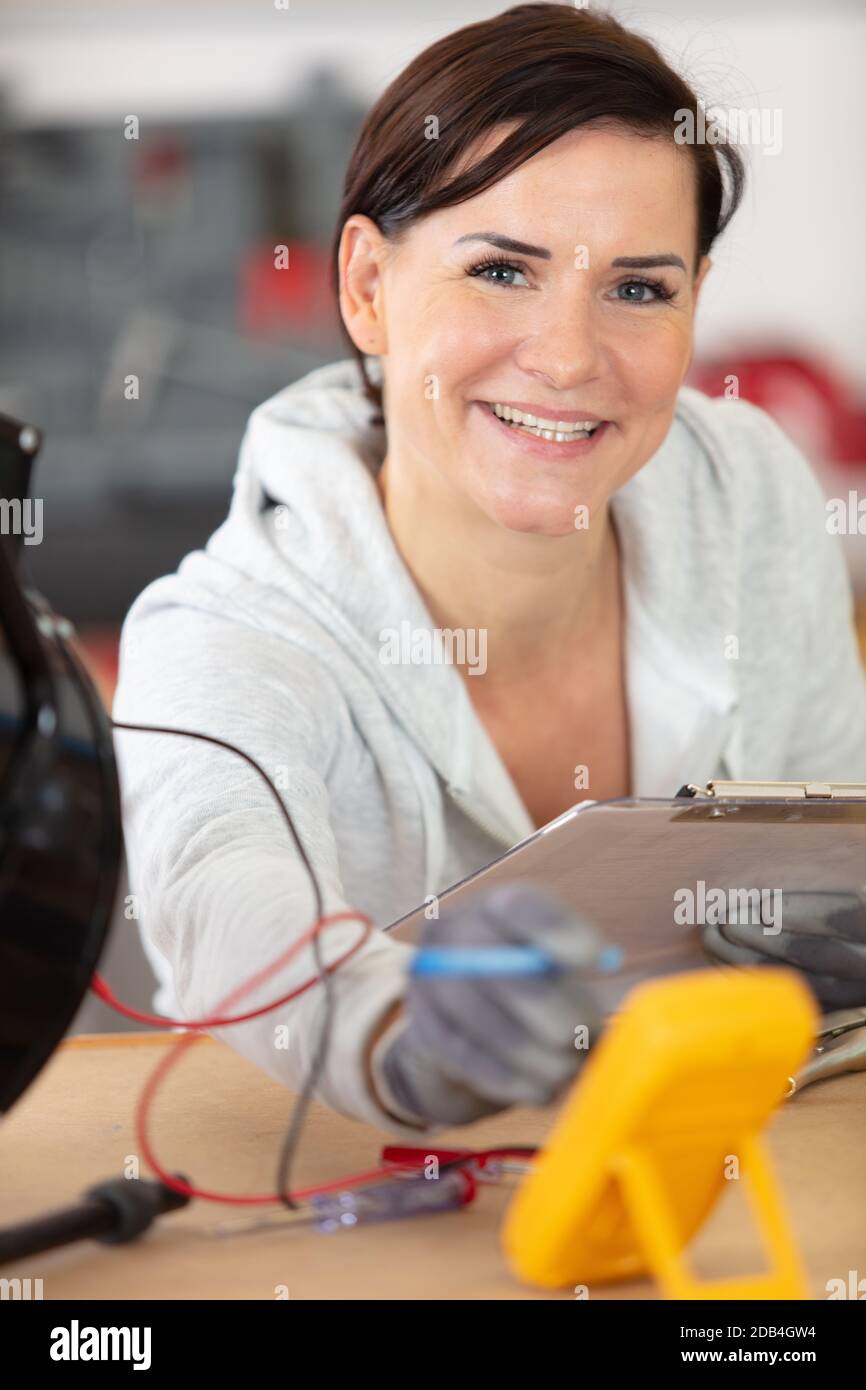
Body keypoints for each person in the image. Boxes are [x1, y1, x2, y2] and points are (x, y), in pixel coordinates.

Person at [113, 3, 866, 1136]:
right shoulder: (222, 632)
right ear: (366, 287)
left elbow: (830, 842)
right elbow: (219, 895)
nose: (566, 356)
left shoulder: (747, 489)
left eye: (636, 287)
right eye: (501, 271)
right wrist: (401, 1035)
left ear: (693, 302)